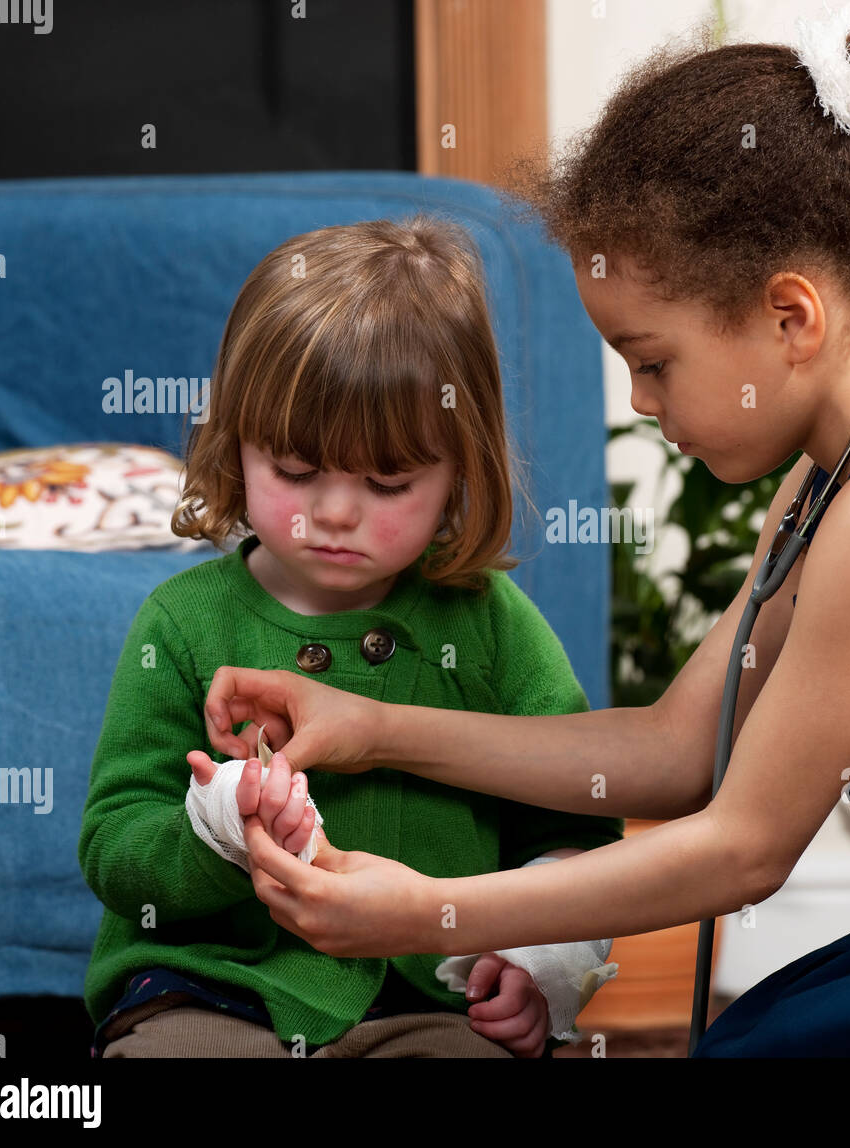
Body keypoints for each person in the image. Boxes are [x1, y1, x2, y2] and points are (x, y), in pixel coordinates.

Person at [201, 18, 850, 1057]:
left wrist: (426, 911)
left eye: (651, 360)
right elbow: (674, 750)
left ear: (790, 318)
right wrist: (370, 722)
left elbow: (745, 847)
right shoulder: (834, 470)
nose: (638, 400)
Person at [76, 216, 625, 1059]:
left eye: (388, 481)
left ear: (459, 473)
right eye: (294, 471)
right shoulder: (180, 624)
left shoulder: (491, 622)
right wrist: (219, 824)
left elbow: (575, 818)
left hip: (435, 1002)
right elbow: (115, 844)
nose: (333, 513)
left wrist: (538, 958)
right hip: (219, 987)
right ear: (236, 448)